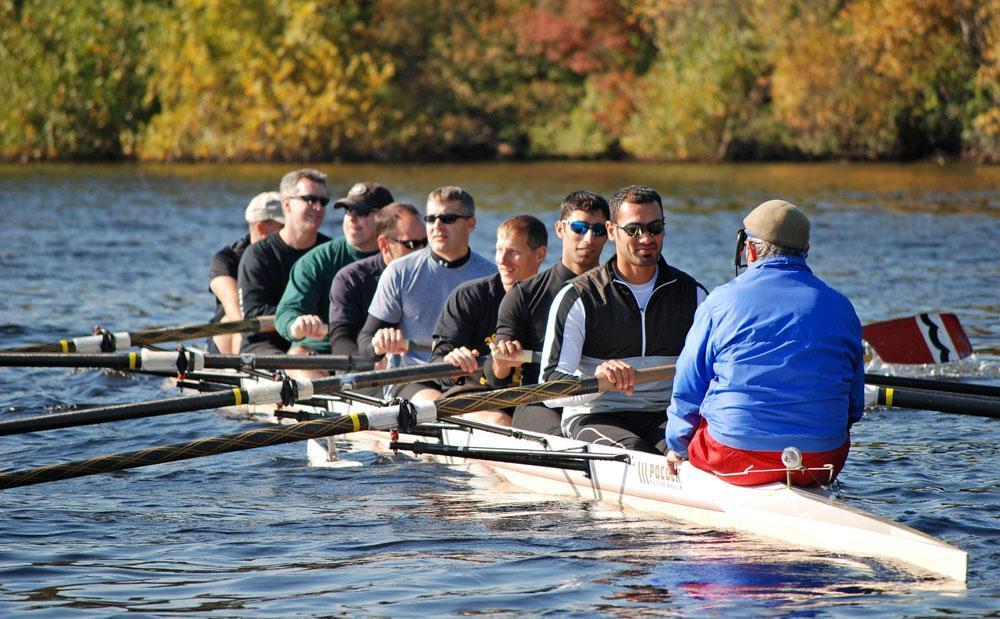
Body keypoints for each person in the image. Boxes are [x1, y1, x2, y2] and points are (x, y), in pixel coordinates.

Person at [665, 200, 864, 486]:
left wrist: (678, 446)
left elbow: (688, 386)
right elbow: (854, 406)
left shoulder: (720, 302)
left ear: (750, 249)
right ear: (806, 252)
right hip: (822, 459)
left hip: (734, 455)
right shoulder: (843, 307)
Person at [540, 184, 707, 453]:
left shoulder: (692, 295)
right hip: (598, 414)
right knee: (636, 452)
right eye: (633, 230)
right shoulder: (579, 296)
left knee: (693, 451)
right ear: (610, 231)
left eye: (654, 228)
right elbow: (549, 386)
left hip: (667, 415)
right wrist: (598, 380)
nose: (645, 238)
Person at [487, 190, 610, 434]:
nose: (589, 238)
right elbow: (495, 377)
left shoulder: (618, 291)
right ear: (560, 229)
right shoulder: (524, 294)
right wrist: (502, 361)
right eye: (579, 227)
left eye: (598, 230)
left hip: (601, 399)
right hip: (540, 400)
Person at [357, 186, 496, 402]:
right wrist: (379, 344)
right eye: (431, 219)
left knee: (496, 418)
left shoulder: (491, 275)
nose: (438, 226)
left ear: (471, 224)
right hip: (413, 378)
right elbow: (365, 342)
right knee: (439, 404)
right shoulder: (400, 271)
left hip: (469, 377)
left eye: (448, 218)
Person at [430, 215, 547, 424]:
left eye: (513, 252)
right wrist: (452, 361)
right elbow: (436, 363)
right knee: (500, 421)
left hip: (528, 398)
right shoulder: (469, 297)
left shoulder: (554, 298)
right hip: (471, 394)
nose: (501, 260)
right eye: (499, 250)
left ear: (540, 254)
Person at [274, 182, 394, 376]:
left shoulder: (403, 258)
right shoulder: (317, 260)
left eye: (362, 213)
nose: (352, 219)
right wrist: (296, 325)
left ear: (387, 221)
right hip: (320, 353)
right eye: (348, 211)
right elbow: (287, 312)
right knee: (299, 360)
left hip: (381, 353)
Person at [237, 169, 331, 355]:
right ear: (287, 204)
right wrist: (297, 319)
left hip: (316, 341)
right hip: (266, 344)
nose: (318, 208)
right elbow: (253, 314)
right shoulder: (257, 255)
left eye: (323, 202)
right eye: (310, 200)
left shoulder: (329, 251)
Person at [327, 203, 427, 355]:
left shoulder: (432, 273)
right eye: (411, 244)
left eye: (425, 243)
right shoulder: (349, 279)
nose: (421, 252)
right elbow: (341, 342)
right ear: (384, 244)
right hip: (364, 369)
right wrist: (372, 360)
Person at [208, 191, 284, 354]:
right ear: (262, 228)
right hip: (236, 335)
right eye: (284, 226)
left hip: (277, 329)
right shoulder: (226, 259)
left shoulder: (293, 253)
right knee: (234, 324)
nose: (290, 231)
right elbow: (238, 314)